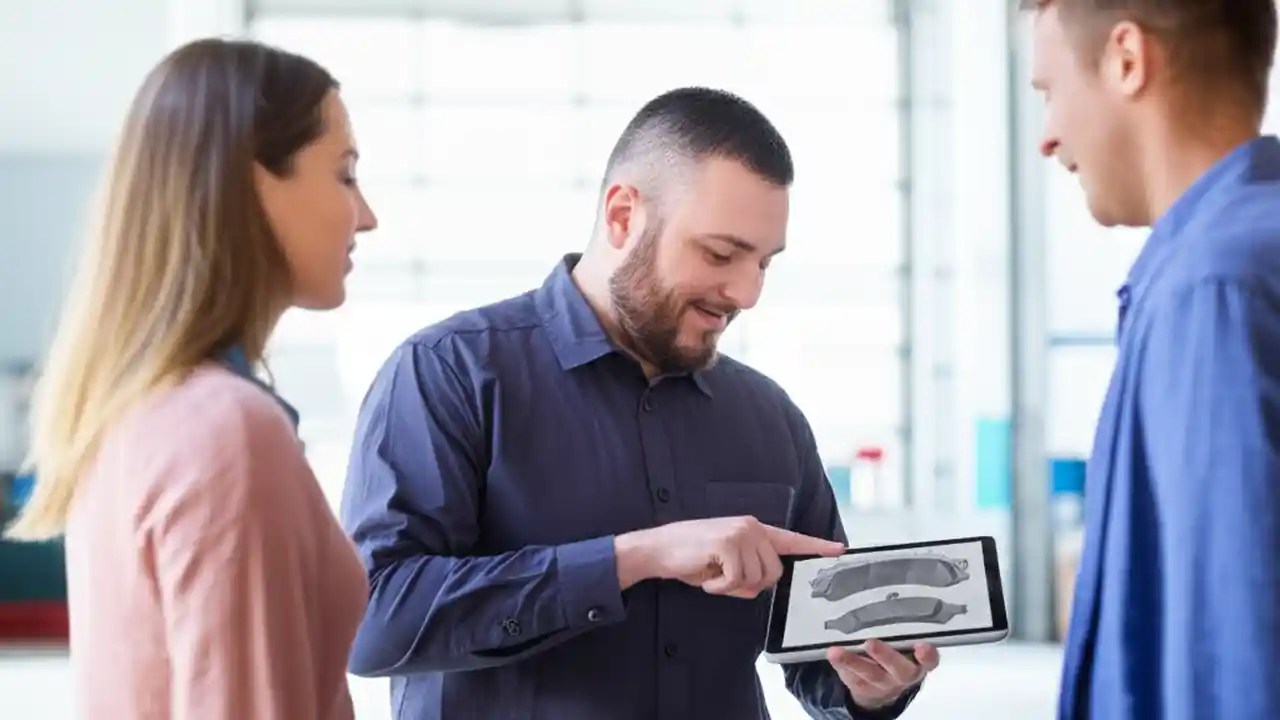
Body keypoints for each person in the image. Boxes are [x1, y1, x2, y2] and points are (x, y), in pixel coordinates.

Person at [340, 87, 937, 719]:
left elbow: (820, 662)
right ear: (623, 216)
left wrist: (869, 687)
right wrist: (630, 559)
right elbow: (372, 620)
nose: (746, 292)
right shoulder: (449, 374)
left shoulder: (769, 418)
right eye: (719, 253)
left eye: (764, 263)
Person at [3, 38, 378, 719]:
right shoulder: (226, 431)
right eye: (345, 176)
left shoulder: (141, 415)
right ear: (253, 182)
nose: (367, 216)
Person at [1024, 1, 1280, 717]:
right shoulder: (1245, 251)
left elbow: (1232, 656)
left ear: (1127, 60)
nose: (1047, 137)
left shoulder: (1212, 287)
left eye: (1049, 92)